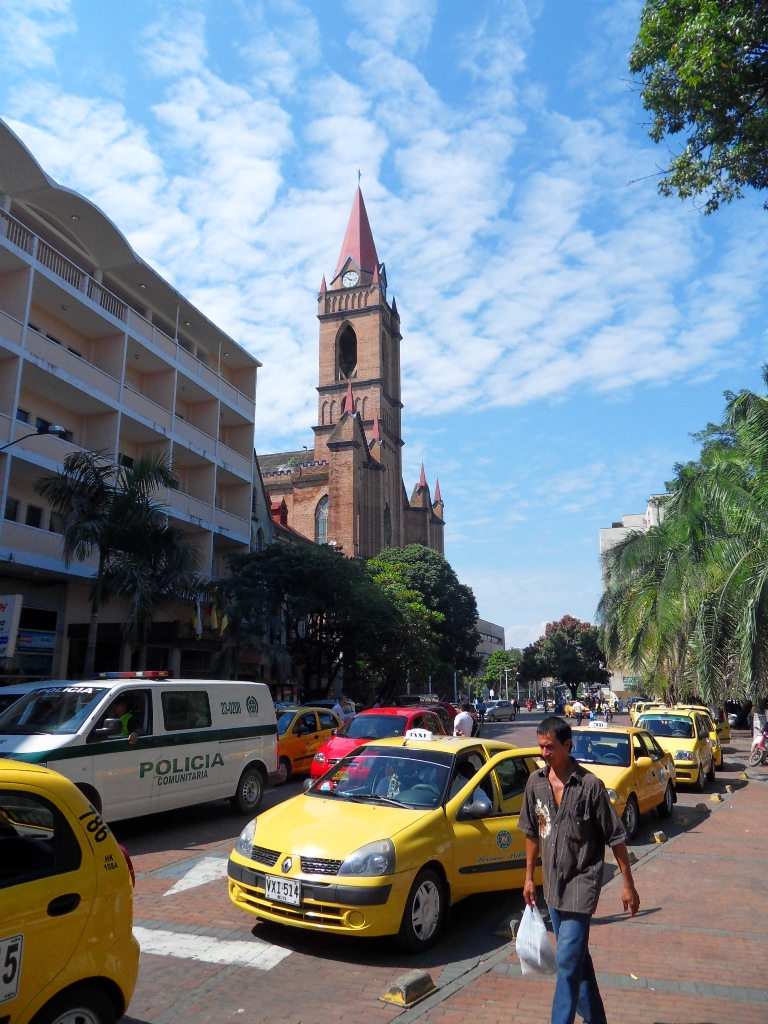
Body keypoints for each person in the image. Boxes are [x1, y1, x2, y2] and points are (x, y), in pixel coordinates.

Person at [518, 716, 639, 1024]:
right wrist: (529, 877)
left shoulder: (590, 787)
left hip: (582, 885)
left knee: (567, 963)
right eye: (541, 746)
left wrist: (628, 885)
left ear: (568, 745)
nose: (545, 753)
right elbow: (531, 833)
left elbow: (616, 838)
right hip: (553, 887)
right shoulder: (536, 784)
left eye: (551, 747)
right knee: (578, 960)